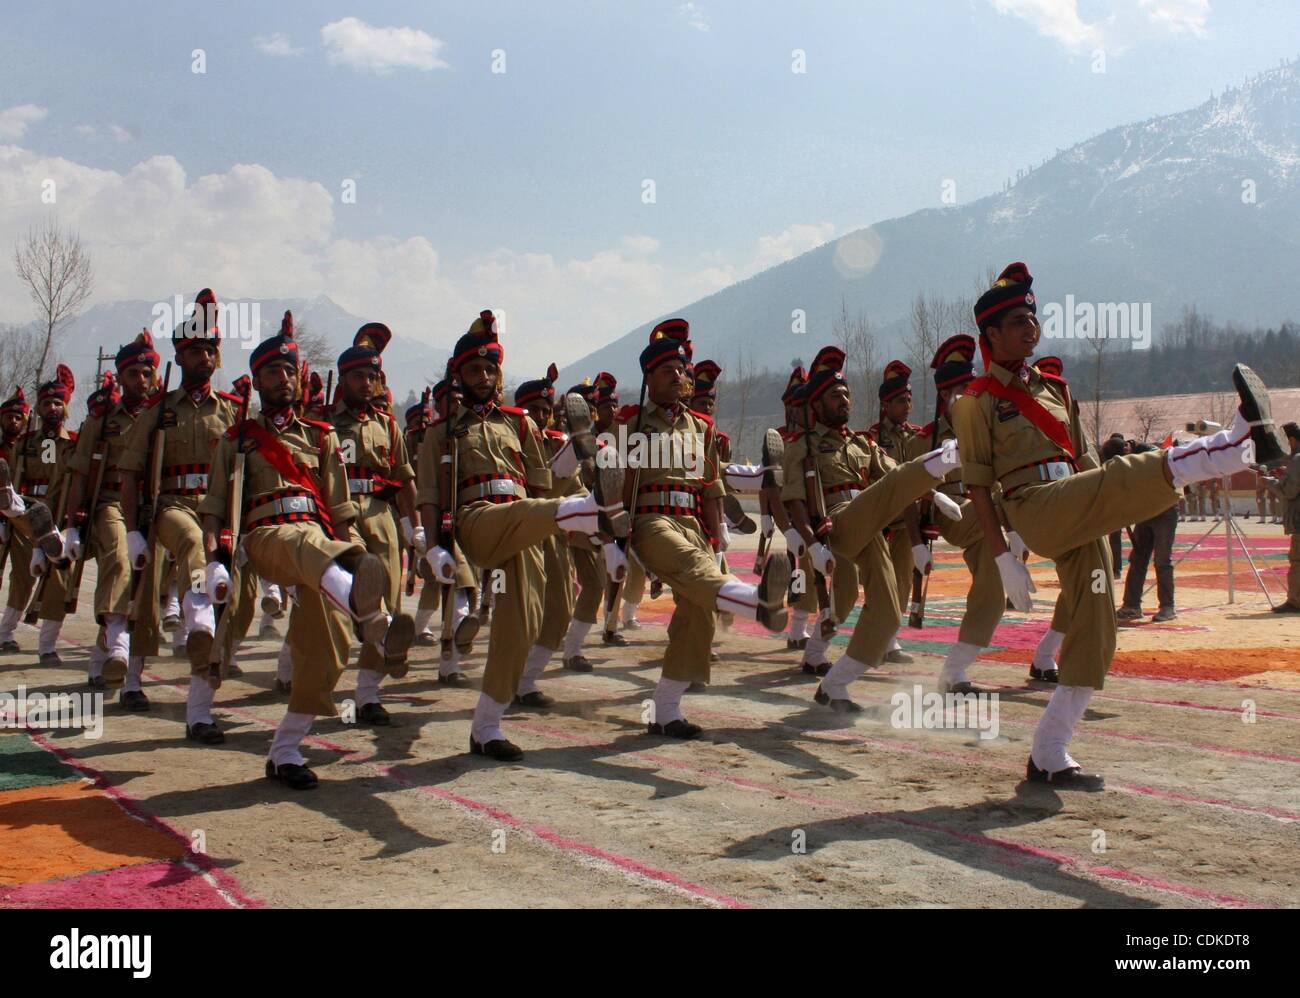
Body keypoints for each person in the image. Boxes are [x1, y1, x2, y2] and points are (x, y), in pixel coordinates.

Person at [951, 261, 1287, 790]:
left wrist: (1114, 515)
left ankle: (1049, 752)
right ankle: (1232, 447)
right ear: (990, 335)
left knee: (1098, 614)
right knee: (1129, 471)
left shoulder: (1055, 389)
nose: (1029, 328)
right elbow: (977, 487)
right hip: (1034, 507)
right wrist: (1001, 557)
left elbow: (1086, 464)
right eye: (1017, 321)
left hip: (1079, 503)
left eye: (1033, 319)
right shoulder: (974, 403)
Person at [199, 317, 402, 789]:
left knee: (326, 650)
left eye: (289, 371)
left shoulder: (322, 437)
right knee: (308, 543)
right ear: (258, 381)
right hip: (267, 540)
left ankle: (285, 750)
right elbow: (213, 509)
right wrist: (214, 558)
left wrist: (355, 547)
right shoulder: (238, 439)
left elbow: (340, 511)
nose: (284, 380)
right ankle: (372, 616)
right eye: (273, 373)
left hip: (322, 545)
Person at [418, 311, 624, 761]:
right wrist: (433, 545)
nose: (484, 376)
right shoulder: (442, 432)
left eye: (490, 368)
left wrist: (564, 470)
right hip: (476, 520)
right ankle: (592, 510)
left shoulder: (521, 424)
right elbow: (431, 496)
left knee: (521, 623)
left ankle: (486, 727)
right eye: (474, 369)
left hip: (523, 520)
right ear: (459, 375)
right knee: (543, 512)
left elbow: (540, 486)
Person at [615, 318, 790, 738]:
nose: (677, 376)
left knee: (698, 613)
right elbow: (617, 484)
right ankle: (753, 601)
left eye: (681, 370)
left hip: (691, 522)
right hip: (649, 520)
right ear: (648, 378)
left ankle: (665, 709)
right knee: (696, 569)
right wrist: (615, 539)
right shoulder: (631, 423)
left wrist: (717, 539)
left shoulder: (701, 427)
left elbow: (711, 488)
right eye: (666, 370)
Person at [781, 347, 963, 710]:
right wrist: (809, 543)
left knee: (887, 612)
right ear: (816, 405)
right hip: (837, 523)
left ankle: (835, 684)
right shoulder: (803, 445)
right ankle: (947, 457)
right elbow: (794, 499)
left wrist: (929, 496)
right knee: (890, 485)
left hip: (871, 527)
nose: (844, 399)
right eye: (835, 395)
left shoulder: (861, 443)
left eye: (847, 393)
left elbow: (891, 475)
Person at [117, 288, 243, 744]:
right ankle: (142, 670)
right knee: (149, 593)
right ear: (179, 356)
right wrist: (132, 531)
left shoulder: (232, 410)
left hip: (217, 511)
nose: (204, 356)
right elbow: (130, 472)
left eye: (210, 349)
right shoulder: (159, 409)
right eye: (194, 350)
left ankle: (199, 715)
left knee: (231, 612)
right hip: (169, 506)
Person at [905, 335, 1010, 694]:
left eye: (971, 387)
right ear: (943, 396)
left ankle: (955, 671)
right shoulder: (925, 440)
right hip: (953, 515)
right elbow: (907, 492)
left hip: (987, 518)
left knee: (994, 590)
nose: (968, 396)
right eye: (959, 391)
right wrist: (917, 544)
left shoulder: (989, 429)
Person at [328, 322, 419, 724]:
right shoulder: (326, 424)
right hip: (342, 515)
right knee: (353, 603)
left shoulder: (388, 424)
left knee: (388, 604)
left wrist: (415, 527)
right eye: (358, 376)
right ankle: (300, 674)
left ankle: (367, 697)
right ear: (343, 379)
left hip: (382, 516)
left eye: (373, 376)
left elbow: (404, 479)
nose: (367, 383)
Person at [62, 331, 160, 701]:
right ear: (120, 377)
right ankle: (117, 645)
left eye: (147, 373)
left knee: (144, 589)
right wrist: (72, 525)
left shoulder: (163, 416)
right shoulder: (102, 420)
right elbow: (81, 473)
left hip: (150, 506)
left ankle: (127, 677)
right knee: (119, 559)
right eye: (133, 373)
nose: (141, 380)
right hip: (112, 504)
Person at [0, 366, 77, 664]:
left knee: (59, 580)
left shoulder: (74, 442)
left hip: (59, 520)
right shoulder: (24, 444)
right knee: (23, 577)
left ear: (66, 406)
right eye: (46, 403)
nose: (52, 408)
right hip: (26, 519)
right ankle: (6, 632)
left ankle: (47, 645)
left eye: (57, 402)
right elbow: (11, 483)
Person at [868, 360, 923, 664]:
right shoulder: (872, 438)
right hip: (884, 520)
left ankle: (890, 637)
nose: (907, 405)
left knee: (902, 577)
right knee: (882, 580)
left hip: (909, 522)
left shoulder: (917, 435)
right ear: (885, 404)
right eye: (901, 400)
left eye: (909, 399)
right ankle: (878, 636)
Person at [1116, 442, 1180, 623]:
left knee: (1162, 560)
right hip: (1146, 512)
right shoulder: (1135, 466)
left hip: (1165, 512)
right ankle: (1131, 605)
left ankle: (1167, 606)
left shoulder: (1159, 462)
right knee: (1137, 559)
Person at [1262, 421, 1300, 613]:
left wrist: (1270, 483)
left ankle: (1295, 601)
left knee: (1297, 561)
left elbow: (1289, 491)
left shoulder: (1297, 460)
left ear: (1291, 440)